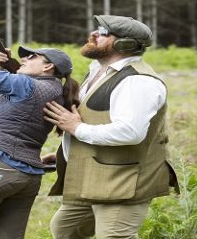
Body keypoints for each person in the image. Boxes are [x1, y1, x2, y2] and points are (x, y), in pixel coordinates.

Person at [40, 15, 179, 239]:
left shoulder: (137, 81)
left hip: (123, 181)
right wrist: (67, 154)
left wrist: (76, 128)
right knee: (66, 229)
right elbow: (96, 118)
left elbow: (130, 132)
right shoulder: (98, 70)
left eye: (103, 33)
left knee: (113, 236)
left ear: (125, 44)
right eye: (96, 30)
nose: (94, 35)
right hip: (97, 175)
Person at [0, 13, 80, 239]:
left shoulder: (25, 84)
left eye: (32, 57)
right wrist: (3, 67)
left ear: (48, 66)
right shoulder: (58, 92)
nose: (25, 59)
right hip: (27, 178)